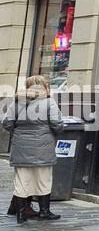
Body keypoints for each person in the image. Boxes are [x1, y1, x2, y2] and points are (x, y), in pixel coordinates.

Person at [3, 75, 72, 223]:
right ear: (46, 88)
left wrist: (19, 132)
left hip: (21, 148)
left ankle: (21, 214)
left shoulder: (16, 103)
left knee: (22, 181)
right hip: (44, 148)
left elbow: (7, 123)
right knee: (44, 180)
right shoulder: (49, 102)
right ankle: (44, 211)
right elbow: (57, 125)